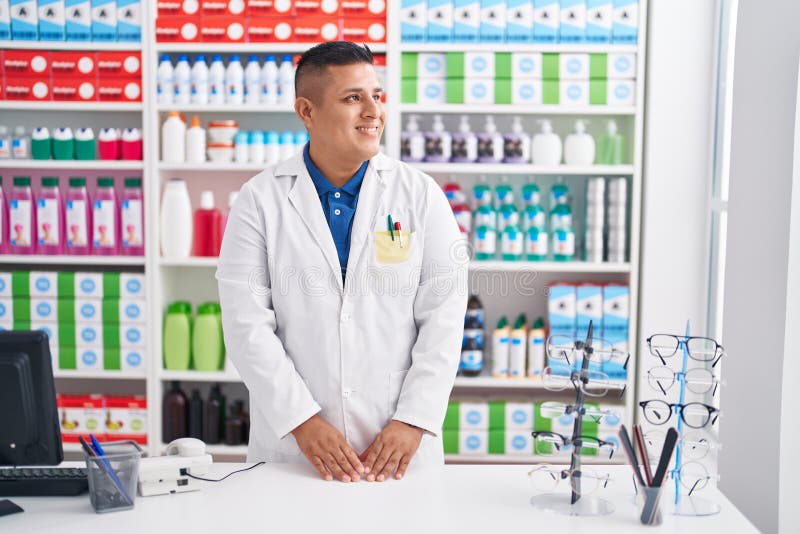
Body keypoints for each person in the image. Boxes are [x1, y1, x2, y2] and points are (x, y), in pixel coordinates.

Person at [216, 41, 467, 483]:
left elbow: (444, 319)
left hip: (398, 451)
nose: (373, 111)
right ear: (306, 111)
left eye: (377, 95)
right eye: (353, 98)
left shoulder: (420, 195)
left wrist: (413, 419)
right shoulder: (259, 199)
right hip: (294, 453)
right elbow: (246, 327)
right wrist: (302, 421)